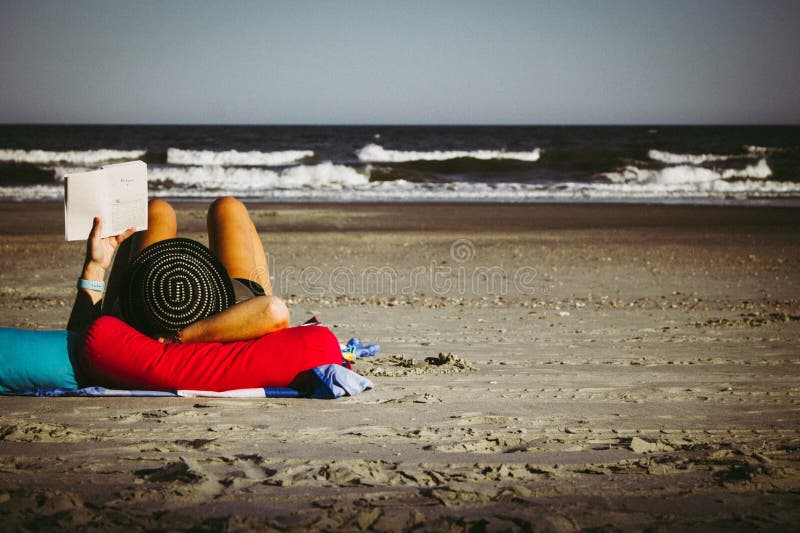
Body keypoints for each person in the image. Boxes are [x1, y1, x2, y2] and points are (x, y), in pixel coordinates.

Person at [67, 197, 290, 342]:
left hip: (143, 313)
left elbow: (78, 344)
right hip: (234, 312)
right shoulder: (234, 324)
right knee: (228, 207)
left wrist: (95, 265)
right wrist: (182, 338)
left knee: (156, 209)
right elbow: (273, 310)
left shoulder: (122, 338)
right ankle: (269, 340)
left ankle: (112, 308)